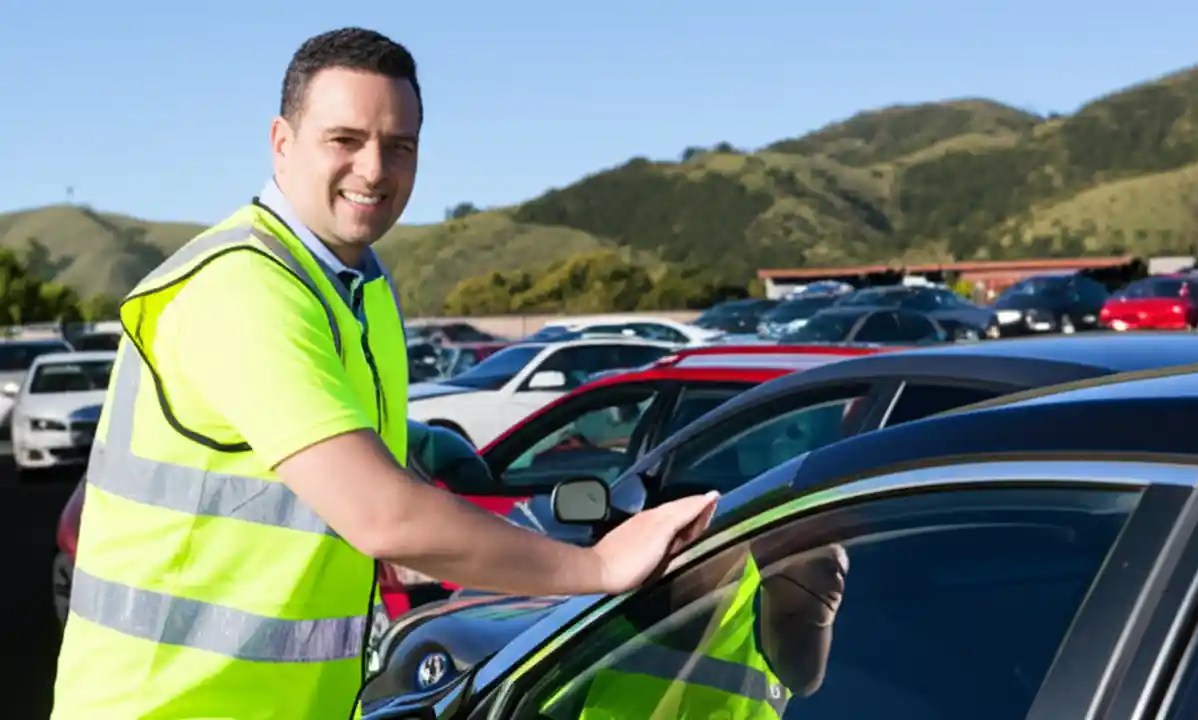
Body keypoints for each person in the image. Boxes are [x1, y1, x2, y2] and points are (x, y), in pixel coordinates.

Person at [49, 27, 717, 720]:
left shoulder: (353, 284)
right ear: (282, 142)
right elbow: (382, 517)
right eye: (345, 139)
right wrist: (598, 569)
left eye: (399, 146)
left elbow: (299, 447)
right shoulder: (243, 287)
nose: (374, 169)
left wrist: (415, 448)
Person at [540, 543, 849, 719]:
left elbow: (806, 677)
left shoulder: (778, 680)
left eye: (841, 572)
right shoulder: (728, 587)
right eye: (827, 566)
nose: (836, 581)